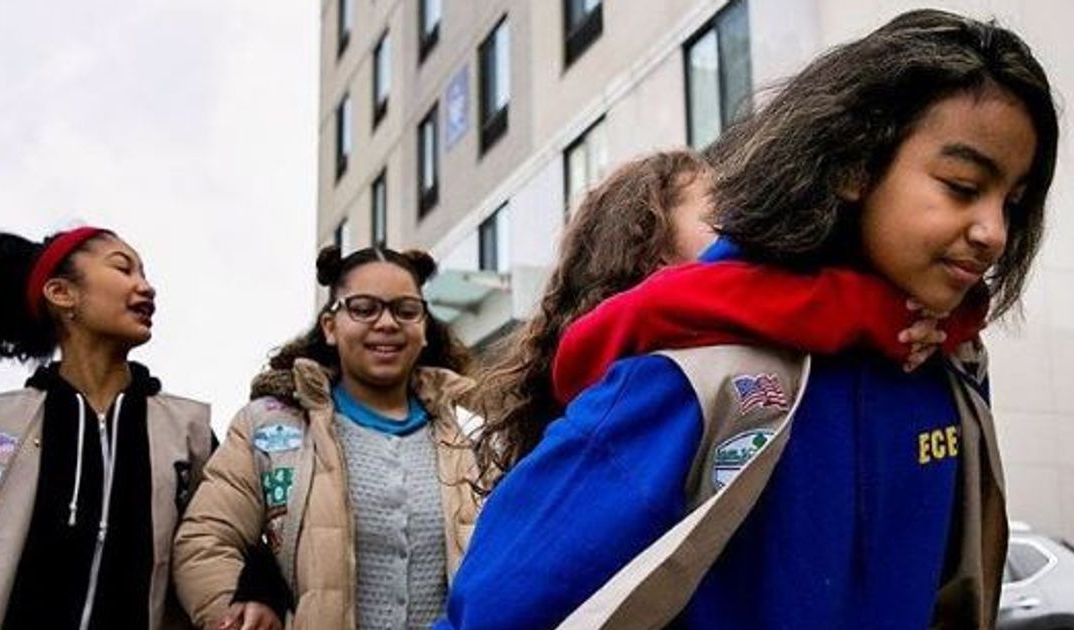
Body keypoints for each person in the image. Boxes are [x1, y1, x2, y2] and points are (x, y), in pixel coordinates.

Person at [441, 9, 1056, 629]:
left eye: (1012, 202)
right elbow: (497, 607)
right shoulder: (710, 377)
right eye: (961, 185)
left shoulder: (945, 371)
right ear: (851, 165)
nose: (994, 233)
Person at [470, 150, 982, 492]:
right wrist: (905, 316)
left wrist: (943, 316)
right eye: (722, 212)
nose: (747, 225)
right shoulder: (648, 348)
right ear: (649, 255)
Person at [0, 227, 213, 630]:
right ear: (62, 294)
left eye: (145, 273)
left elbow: (222, 539)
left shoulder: (187, 429)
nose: (146, 287)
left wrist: (258, 592)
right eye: (123, 268)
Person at [174, 245, 479, 630]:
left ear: (424, 329)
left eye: (406, 310)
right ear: (330, 327)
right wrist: (241, 615)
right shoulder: (269, 426)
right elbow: (206, 540)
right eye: (364, 308)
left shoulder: (473, 434)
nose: (387, 323)